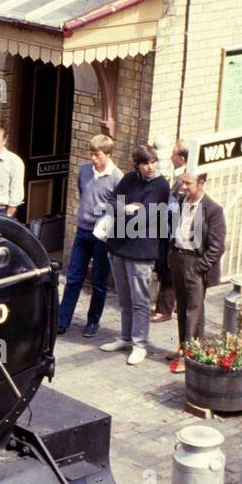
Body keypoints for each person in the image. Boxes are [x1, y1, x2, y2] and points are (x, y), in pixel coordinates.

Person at [100, 144, 170, 366]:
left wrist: (127, 211)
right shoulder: (129, 178)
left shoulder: (160, 185)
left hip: (141, 251)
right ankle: (125, 337)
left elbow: (144, 218)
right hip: (118, 247)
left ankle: (140, 344)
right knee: (124, 298)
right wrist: (125, 209)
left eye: (153, 162)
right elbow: (110, 203)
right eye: (145, 163)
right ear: (137, 165)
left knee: (140, 301)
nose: (150, 167)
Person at [58, 134, 121, 337]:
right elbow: (82, 191)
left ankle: (93, 321)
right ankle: (62, 320)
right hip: (83, 231)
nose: (93, 158)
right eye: (91, 154)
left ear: (108, 154)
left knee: (99, 281)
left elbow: (118, 208)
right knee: (73, 277)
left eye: (97, 154)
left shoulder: (117, 177)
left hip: (102, 236)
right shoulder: (84, 170)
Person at [167, 170, 226, 374]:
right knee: (182, 307)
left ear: (201, 183)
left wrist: (199, 268)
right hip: (178, 258)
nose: (183, 186)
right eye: (182, 182)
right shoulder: (182, 201)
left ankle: (190, 355)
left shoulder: (213, 210)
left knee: (194, 310)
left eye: (188, 183)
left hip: (195, 263)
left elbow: (217, 247)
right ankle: (185, 347)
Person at [152, 140, 188, 323]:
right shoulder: (176, 174)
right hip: (166, 228)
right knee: (162, 266)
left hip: (173, 230)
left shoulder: (184, 178)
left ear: (181, 158)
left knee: (168, 268)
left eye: (173, 154)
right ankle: (163, 306)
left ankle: (165, 309)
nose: (171, 157)